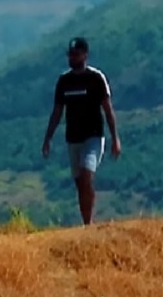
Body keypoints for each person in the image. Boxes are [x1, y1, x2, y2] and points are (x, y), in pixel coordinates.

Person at [41, 36, 121, 225]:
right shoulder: (64, 81)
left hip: (93, 136)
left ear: (85, 55)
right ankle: (86, 222)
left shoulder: (96, 79)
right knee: (80, 183)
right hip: (73, 139)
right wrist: (48, 138)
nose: (72, 58)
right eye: (70, 55)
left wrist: (115, 138)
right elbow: (57, 112)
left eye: (76, 54)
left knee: (86, 175)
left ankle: (88, 223)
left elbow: (108, 110)